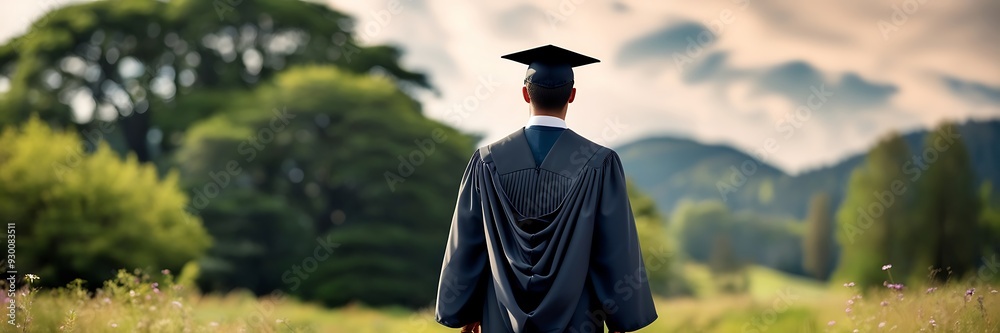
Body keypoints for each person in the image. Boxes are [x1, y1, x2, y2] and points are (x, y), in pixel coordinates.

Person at [435, 45, 657, 333]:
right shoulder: (599, 163)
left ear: (525, 94)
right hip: (579, 319)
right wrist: (621, 319)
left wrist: (464, 311)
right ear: (572, 96)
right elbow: (613, 250)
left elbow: (468, 243)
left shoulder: (487, 161)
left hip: (500, 318)